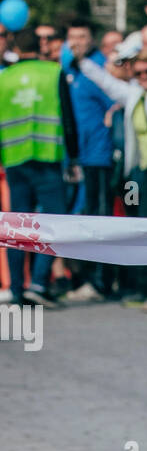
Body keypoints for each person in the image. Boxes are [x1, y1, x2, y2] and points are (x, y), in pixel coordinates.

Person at [74, 43, 147, 309]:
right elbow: (107, 83)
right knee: (143, 227)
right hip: (141, 173)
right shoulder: (138, 93)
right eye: (138, 72)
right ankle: (146, 287)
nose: (143, 76)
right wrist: (83, 61)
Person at [0, 25, 79, 306]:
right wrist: (74, 156)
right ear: (40, 47)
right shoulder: (53, 73)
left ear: (16, 49)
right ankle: (39, 282)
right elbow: (69, 118)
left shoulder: (4, 77)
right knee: (53, 221)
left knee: (17, 226)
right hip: (48, 157)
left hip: (14, 159)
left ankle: (18, 290)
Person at [61, 19, 117, 301]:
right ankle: (82, 278)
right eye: (72, 37)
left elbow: (117, 101)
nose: (76, 42)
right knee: (81, 218)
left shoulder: (99, 67)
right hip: (79, 158)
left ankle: (101, 282)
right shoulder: (70, 68)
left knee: (101, 219)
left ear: (91, 39)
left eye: (81, 36)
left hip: (100, 157)